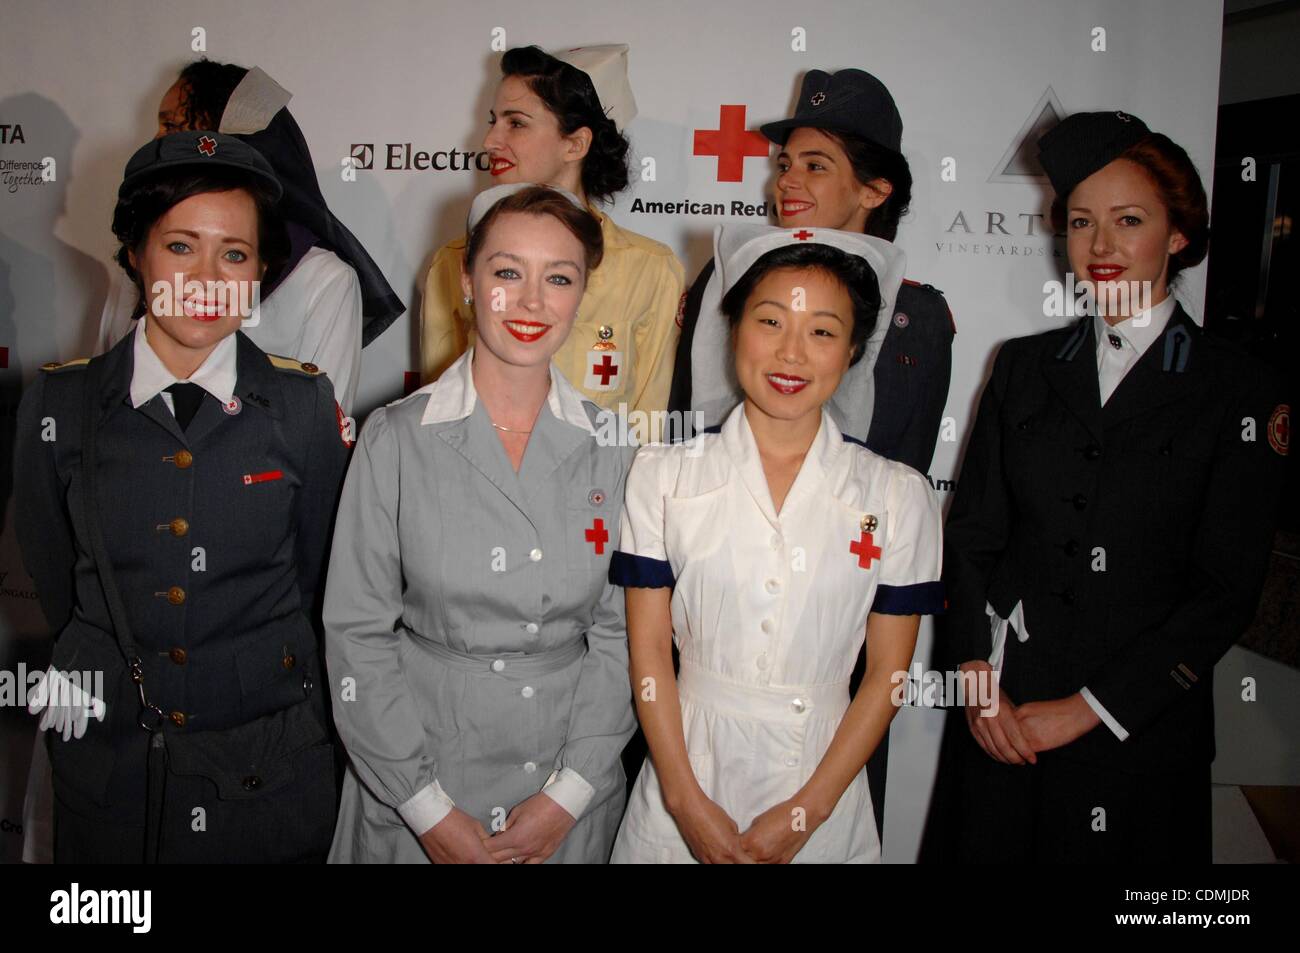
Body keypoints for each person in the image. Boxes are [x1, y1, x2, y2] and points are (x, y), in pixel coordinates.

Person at [937, 111, 1288, 862]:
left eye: (1128, 221)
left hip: (1139, 733)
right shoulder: (1025, 365)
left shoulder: (1239, 389)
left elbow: (1224, 590)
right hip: (1001, 716)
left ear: (1179, 233)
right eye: (1081, 222)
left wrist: (1090, 708)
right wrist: (974, 676)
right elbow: (972, 535)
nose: (1100, 247)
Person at [16, 131, 350, 862]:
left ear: (261, 271)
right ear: (134, 252)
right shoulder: (61, 402)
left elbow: (319, 580)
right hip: (111, 768)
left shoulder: (301, 405)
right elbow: (56, 570)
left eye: (234, 253)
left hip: (264, 766)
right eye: (180, 246)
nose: (207, 276)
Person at [609, 224, 945, 863]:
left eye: (822, 331)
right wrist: (685, 802)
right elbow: (649, 654)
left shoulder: (897, 495)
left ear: (851, 351)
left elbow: (886, 678)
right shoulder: (662, 474)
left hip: (823, 789)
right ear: (731, 328)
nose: (792, 353)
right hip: (682, 779)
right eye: (769, 322)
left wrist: (804, 815)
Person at [327, 185, 637, 864]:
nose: (531, 302)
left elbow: (623, 638)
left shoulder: (616, 447)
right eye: (507, 272)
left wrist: (569, 794)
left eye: (558, 278)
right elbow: (357, 634)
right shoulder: (396, 438)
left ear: (582, 293)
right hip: (419, 777)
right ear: (466, 280)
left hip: (567, 785)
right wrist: (426, 810)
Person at [670, 68, 953, 473]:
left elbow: (909, 465)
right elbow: (682, 422)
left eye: (815, 166)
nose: (786, 182)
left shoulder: (920, 316)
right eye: (785, 166)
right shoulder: (727, 278)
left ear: (874, 190)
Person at [97, 60, 405, 413]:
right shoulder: (140, 259)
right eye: (179, 248)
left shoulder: (323, 280)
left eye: (172, 126)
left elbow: (320, 434)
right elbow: (100, 393)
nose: (157, 142)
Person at [420, 44, 683, 424]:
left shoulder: (651, 270)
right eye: (494, 121)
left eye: (517, 123)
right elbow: (437, 414)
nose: (490, 141)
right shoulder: (454, 261)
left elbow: (645, 432)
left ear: (575, 144)